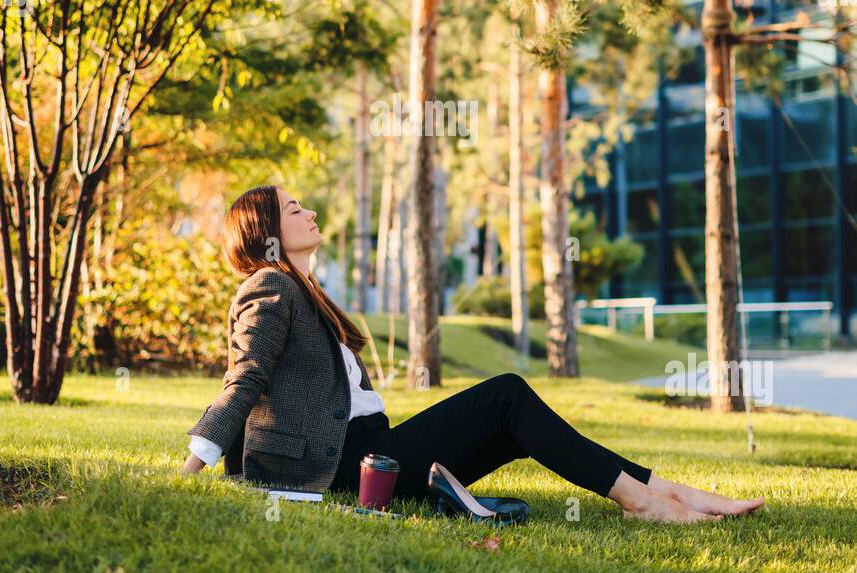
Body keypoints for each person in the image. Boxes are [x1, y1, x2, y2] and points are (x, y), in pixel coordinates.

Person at [183, 185, 765, 524]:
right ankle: (644, 500)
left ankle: (664, 490)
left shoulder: (307, 292)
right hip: (338, 467)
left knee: (516, 428)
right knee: (507, 392)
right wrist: (193, 467)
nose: (309, 212)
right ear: (267, 233)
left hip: (366, 455)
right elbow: (246, 375)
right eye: (292, 210)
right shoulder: (271, 286)